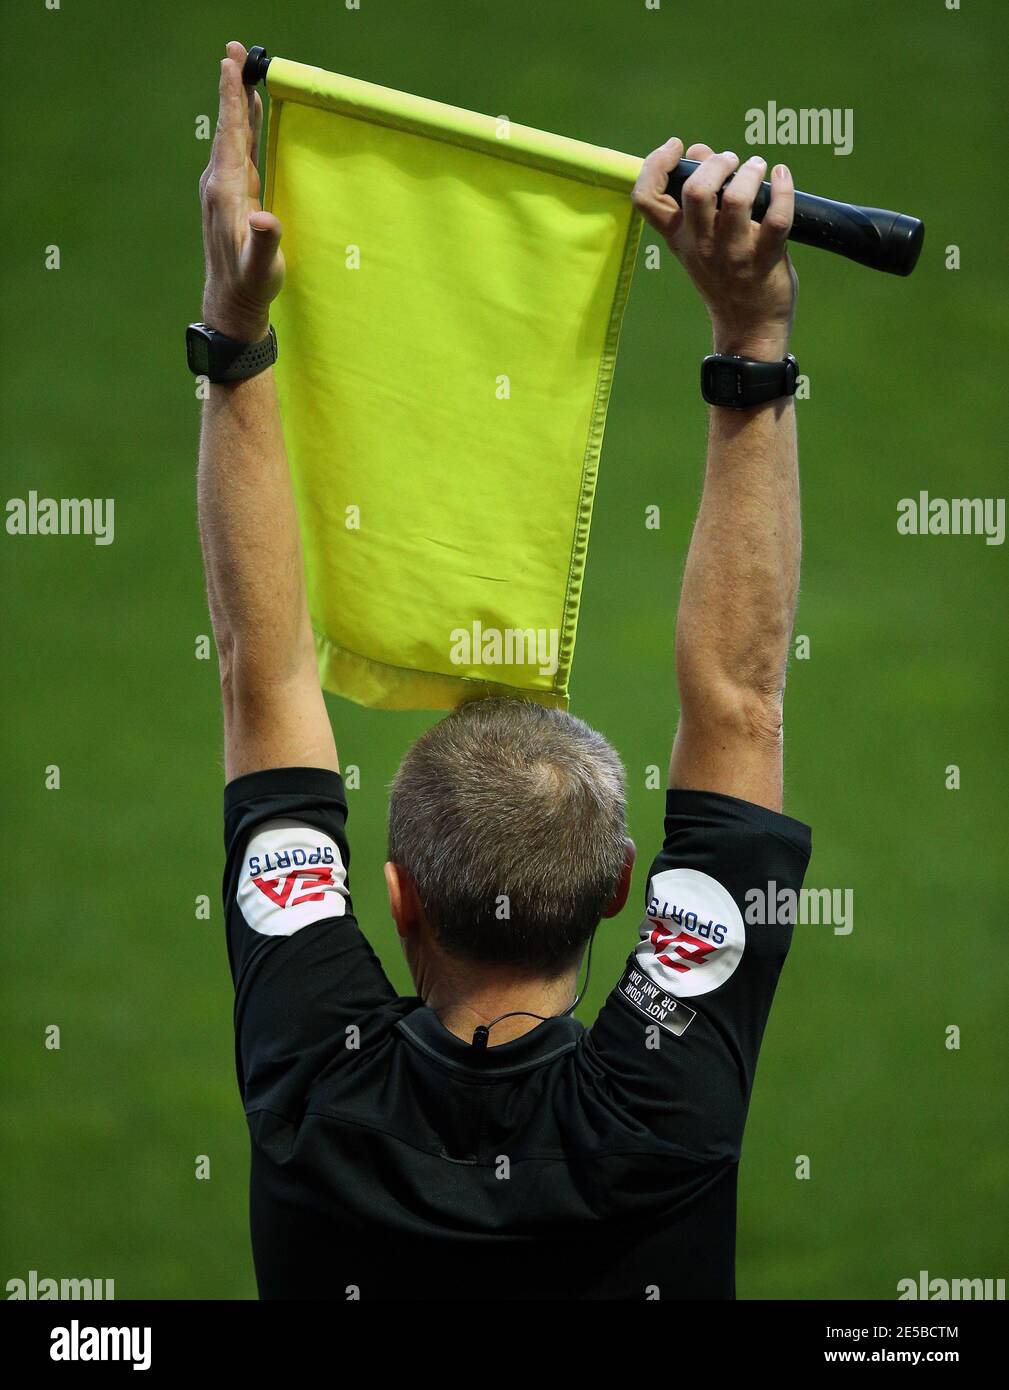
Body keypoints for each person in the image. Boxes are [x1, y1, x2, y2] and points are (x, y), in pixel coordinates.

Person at [194, 41, 811, 1300]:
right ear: (618, 892)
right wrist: (751, 331)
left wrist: (236, 327)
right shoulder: (666, 1102)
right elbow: (741, 699)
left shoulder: (318, 1086)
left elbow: (266, 674)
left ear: (397, 892)